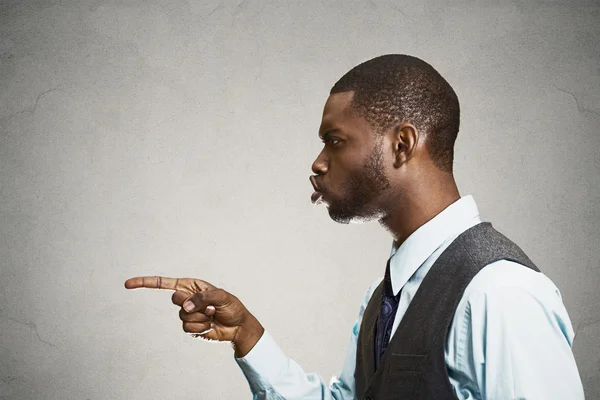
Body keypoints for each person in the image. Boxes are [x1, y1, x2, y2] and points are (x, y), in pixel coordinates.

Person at [124, 54, 584, 399]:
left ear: (402, 144)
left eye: (335, 141)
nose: (318, 162)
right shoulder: (385, 297)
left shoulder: (499, 294)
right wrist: (246, 332)